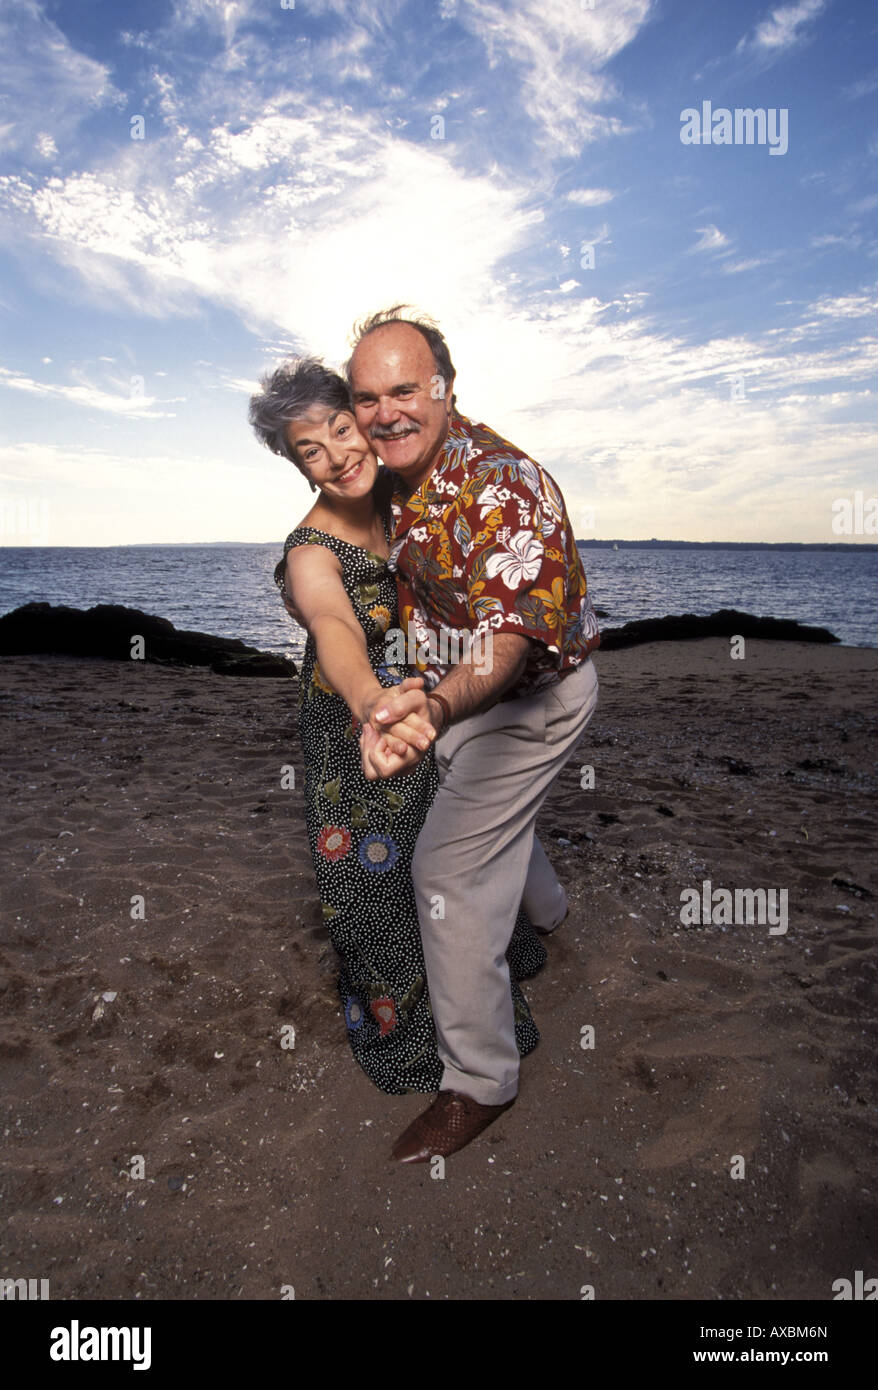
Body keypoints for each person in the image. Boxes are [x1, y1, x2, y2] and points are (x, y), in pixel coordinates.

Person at [247, 358, 550, 1097]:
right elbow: (333, 628)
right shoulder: (311, 550)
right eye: (309, 449)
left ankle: (491, 990)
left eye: (341, 429)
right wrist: (371, 705)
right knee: (376, 894)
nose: (337, 454)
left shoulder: (403, 492)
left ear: (362, 418)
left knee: (447, 866)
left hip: (431, 710)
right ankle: (414, 1044)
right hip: (360, 737)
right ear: (296, 465)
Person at [346, 307, 600, 1163]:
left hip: (533, 696)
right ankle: (552, 911)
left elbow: (509, 641)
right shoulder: (401, 471)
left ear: (446, 389)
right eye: (368, 397)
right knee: (480, 806)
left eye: (406, 390)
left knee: (446, 866)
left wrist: (436, 707)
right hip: (466, 692)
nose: (386, 414)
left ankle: (481, 1081)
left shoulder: (503, 485)